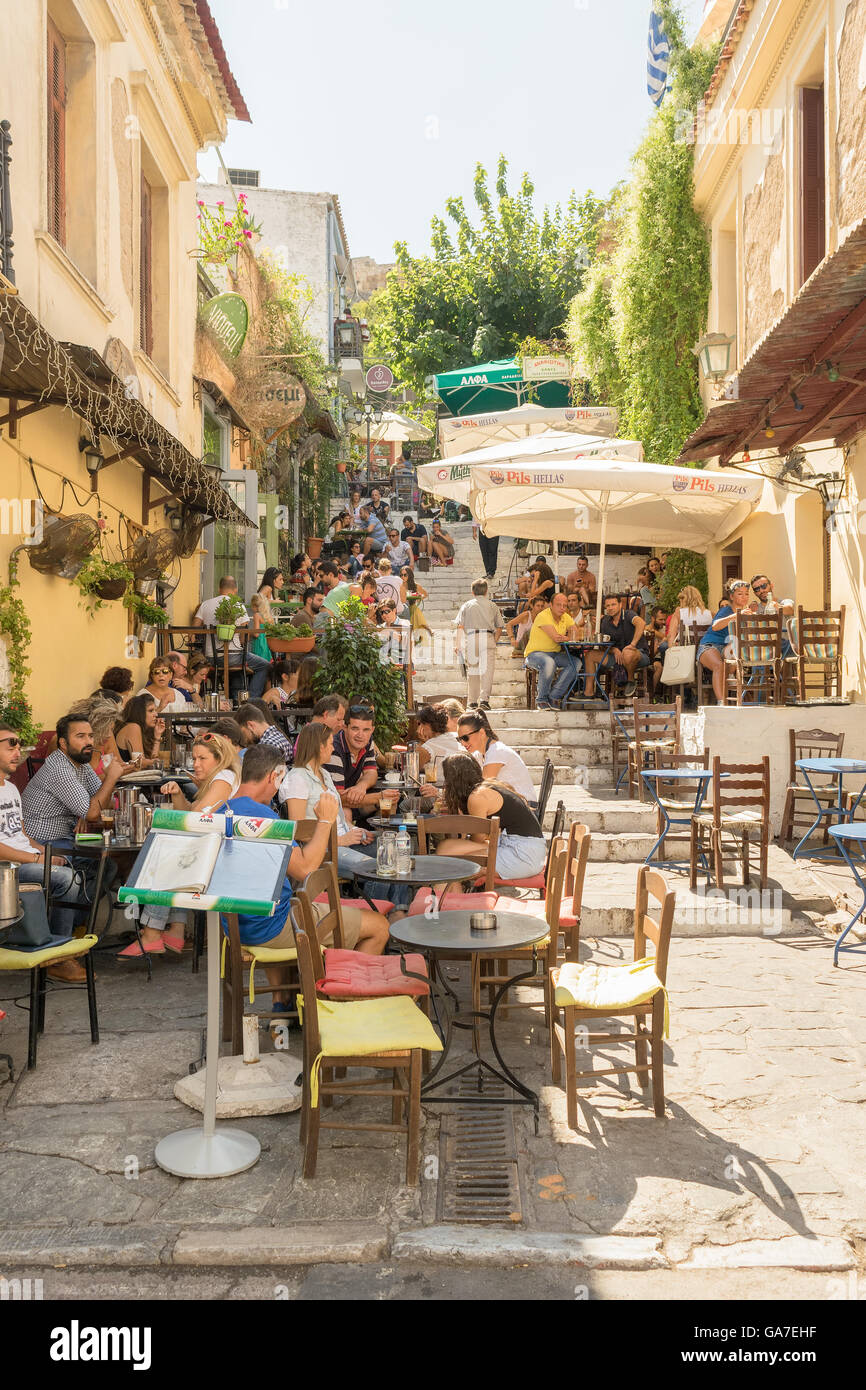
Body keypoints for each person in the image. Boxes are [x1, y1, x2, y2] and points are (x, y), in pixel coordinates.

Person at [227, 743, 389, 1026]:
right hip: (270, 927)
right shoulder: (264, 819)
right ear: (273, 777)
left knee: (294, 905)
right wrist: (325, 821)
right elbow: (304, 869)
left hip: (234, 925)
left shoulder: (221, 810)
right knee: (378, 927)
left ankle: (285, 1005)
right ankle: (340, 1010)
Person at [0, 722, 90, 976]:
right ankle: (58, 958)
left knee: (87, 866)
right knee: (67, 879)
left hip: (26, 858)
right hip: (7, 868)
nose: (18, 751)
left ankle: (64, 936)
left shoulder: (10, 788)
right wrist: (38, 858)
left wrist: (47, 854)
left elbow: (21, 833)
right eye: (10, 745)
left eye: (19, 744)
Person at [436, 755, 547, 882]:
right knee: (444, 848)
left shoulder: (477, 797)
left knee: (453, 862)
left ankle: (453, 898)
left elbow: (478, 839)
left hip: (522, 855)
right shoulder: (487, 786)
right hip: (527, 849)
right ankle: (454, 896)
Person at [23, 712, 126, 848]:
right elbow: (93, 813)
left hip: (66, 838)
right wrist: (111, 777)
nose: (89, 742)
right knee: (107, 859)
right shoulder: (59, 769)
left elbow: (105, 802)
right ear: (63, 743)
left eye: (90, 736)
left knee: (111, 858)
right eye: (80, 736)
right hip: (43, 843)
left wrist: (85, 814)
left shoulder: (81, 764)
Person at [193, 576, 270, 698]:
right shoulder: (239, 607)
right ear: (235, 590)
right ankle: (251, 698)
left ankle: (233, 697)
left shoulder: (205, 605)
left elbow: (194, 628)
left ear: (219, 589)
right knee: (265, 665)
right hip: (233, 657)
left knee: (237, 667)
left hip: (209, 657)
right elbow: (243, 637)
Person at [456, 712, 536, 803]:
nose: (462, 743)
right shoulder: (479, 754)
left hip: (526, 807)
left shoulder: (496, 752)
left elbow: (483, 789)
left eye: (465, 738)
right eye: (459, 739)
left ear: (481, 732)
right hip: (510, 804)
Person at [583, 593, 651, 698]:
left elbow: (641, 623)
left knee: (627, 653)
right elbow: (603, 644)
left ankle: (630, 680)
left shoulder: (629, 614)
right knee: (590, 655)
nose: (610, 608)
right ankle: (588, 693)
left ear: (620, 605)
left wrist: (632, 645)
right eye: (608, 606)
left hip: (638, 654)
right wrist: (614, 650)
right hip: (617, 657)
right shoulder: (605, 621)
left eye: (613, 604)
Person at [697, 578, 753, 702]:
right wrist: (738, 614)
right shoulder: (726, 610)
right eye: (740, 594)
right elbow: (715, 626)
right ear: (732, 596)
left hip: (727, 649)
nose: (744, 597)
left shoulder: (747, 612)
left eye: (746, 594)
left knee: (737, 646)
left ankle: (731, 675)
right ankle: (722, 702)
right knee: (719, 665)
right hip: (709, 646)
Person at [524, 592, 581, 710]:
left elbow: (577, 634)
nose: (562, 608)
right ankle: (542, 699)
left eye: (565, 605)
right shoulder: (543, 616)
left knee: (576, 663)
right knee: (549, 663)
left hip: (555, 654)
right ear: (551, 605)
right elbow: (556, 637)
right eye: (559, 605)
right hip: (535, 654)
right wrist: (570, 637)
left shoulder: (566, 616)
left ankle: (554, 696)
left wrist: (570, 636)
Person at [454, 579, 504, 711]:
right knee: (487, 671)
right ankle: (484, 700)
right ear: (486, 591)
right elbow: (499, 626)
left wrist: (457, 644)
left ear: (472, 592)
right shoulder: (492, 605)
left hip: (471, 637)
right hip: (487, 637)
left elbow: (460, 626)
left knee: (473, 671)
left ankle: (472, 701)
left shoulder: (466, 605)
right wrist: (495, 640)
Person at [324, 705, 380, 822]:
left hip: (351, 800)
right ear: (345, 727)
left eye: (366, 730)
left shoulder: (367, 741)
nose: (360, 735)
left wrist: (361, 786)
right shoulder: (333, 749)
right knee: (347, 811)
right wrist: (380, 797)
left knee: (389, 803)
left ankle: (384, 838)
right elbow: (338, 799)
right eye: (355, 729)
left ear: (372, 730)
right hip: (328, 808)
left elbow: (371, 773)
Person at [749, 573, 795, 655]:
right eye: (757, 589)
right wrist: (751, 612)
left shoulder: (784, 602)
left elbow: (790, 610)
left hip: (784, 645)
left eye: (764, 586)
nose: (761, 590)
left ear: (771, 585)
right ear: (755, 593)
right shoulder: (755, 608)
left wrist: (775, 605)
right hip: (763, 647)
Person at [114, 694, 165, 768]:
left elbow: (150, 760)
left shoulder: (139, 729)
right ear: (139, 713)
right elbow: (141, 763)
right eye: (151, 711)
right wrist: (159, 762)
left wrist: (157, 735)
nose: (156, 714)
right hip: (125, 778)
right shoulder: (133, 727)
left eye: (155, 710)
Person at [249, 566, 284, 661]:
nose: (282, 582)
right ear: (273, 580)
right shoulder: (268, 588)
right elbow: (260, 598)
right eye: (280, 579)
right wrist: (275, 602)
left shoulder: (269, 589)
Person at [414, 705, 463, 773]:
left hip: (438, 783)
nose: (418, 729)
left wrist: (422, 742)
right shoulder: (456, 737)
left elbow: (412, 770)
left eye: (421, 724)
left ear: (428, 724)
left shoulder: (427, 748)